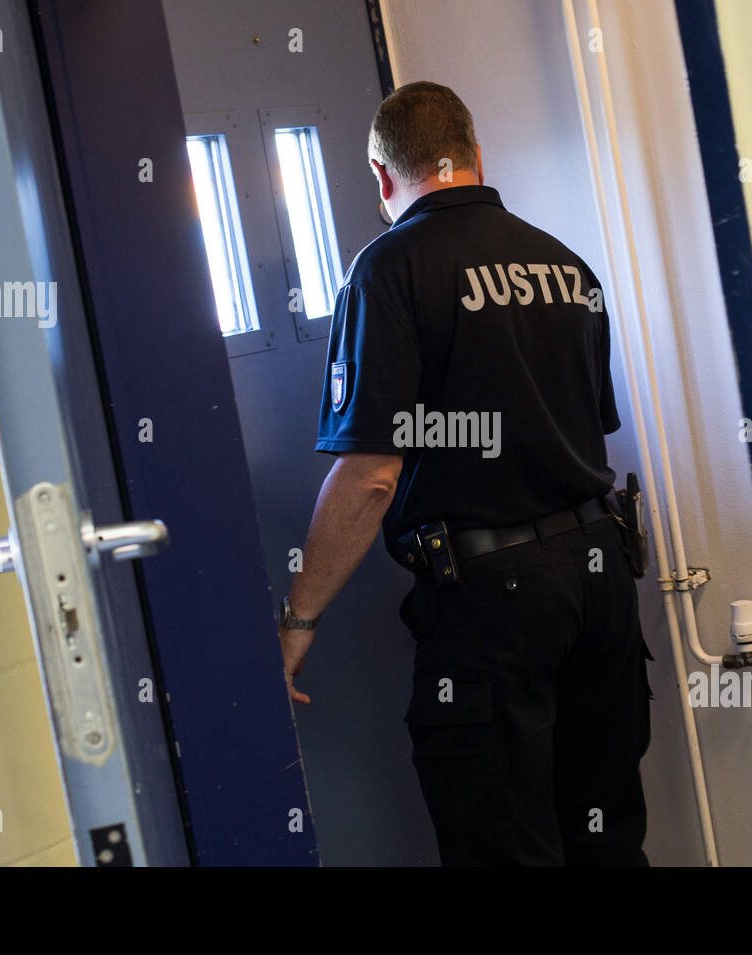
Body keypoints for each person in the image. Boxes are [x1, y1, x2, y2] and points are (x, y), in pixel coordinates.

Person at [275, 81, 651, 866]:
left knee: (503, 848)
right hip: (598, 579)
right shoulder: (566, 263)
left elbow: (372, 474)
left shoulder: (386, 272)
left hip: (493, 607)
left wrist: (299, 618)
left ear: (383, 176)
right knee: (605, 840)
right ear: (476, 157)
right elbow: (589, 430)